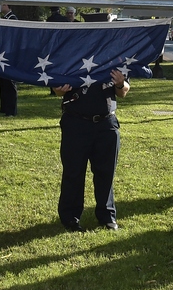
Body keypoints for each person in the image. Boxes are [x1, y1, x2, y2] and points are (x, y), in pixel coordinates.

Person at [51, 68, 128, 232]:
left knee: (106, 173)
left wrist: (121, 84)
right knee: (73, 172)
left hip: (106, 124)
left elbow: (123, 92)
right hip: (75, 123)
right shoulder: (72, 56)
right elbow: (57, 91)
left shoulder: (112, 57)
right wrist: (58, 89)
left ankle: (107, 216)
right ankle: (70, 218)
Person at [0, 3, 18, 116]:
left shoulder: (12, 18)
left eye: (3, 5)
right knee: (3, 81)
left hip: (10, 55)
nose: (1, 7)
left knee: (10, 82)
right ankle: (4, 107)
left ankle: (11, 109)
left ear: (9, 6)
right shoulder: (4, 18)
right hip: (2, 54)